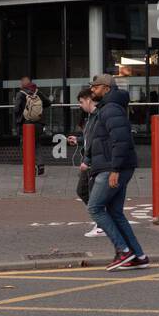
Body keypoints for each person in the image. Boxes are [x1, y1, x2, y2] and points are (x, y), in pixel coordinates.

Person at [85, 74, 149, 270]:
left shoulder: (111, 109)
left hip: (112, 167)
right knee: (115, 212)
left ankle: (124, 251)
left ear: (105, 87)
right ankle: (138, 255)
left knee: (94, 207)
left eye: (94, 87)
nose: (92, 91)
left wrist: (115, 170)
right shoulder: (108, 108)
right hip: (113, 166)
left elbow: (121, 140)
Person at [66, 87, 105, 237]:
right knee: (83, 190)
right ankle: (101, 219)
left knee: (90, 192)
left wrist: (87, 161)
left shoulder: (98, 116)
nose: (81, 105)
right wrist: (79, 140)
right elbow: (90, 139)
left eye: (82, 102)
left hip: (94, 162)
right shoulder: (91, 117)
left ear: (89, 100)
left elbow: (97, 141)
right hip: (90, 160)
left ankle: (102, 223)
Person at [14, 76, 49, 176]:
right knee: (37, 144)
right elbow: (48, 102)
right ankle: (40, 164)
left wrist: (19, 119)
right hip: (38, 123)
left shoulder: (20, 94)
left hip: (26, 124)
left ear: (22, 84)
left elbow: (16, 109)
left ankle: (31, 167)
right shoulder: (37, 92)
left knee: (25, 146)